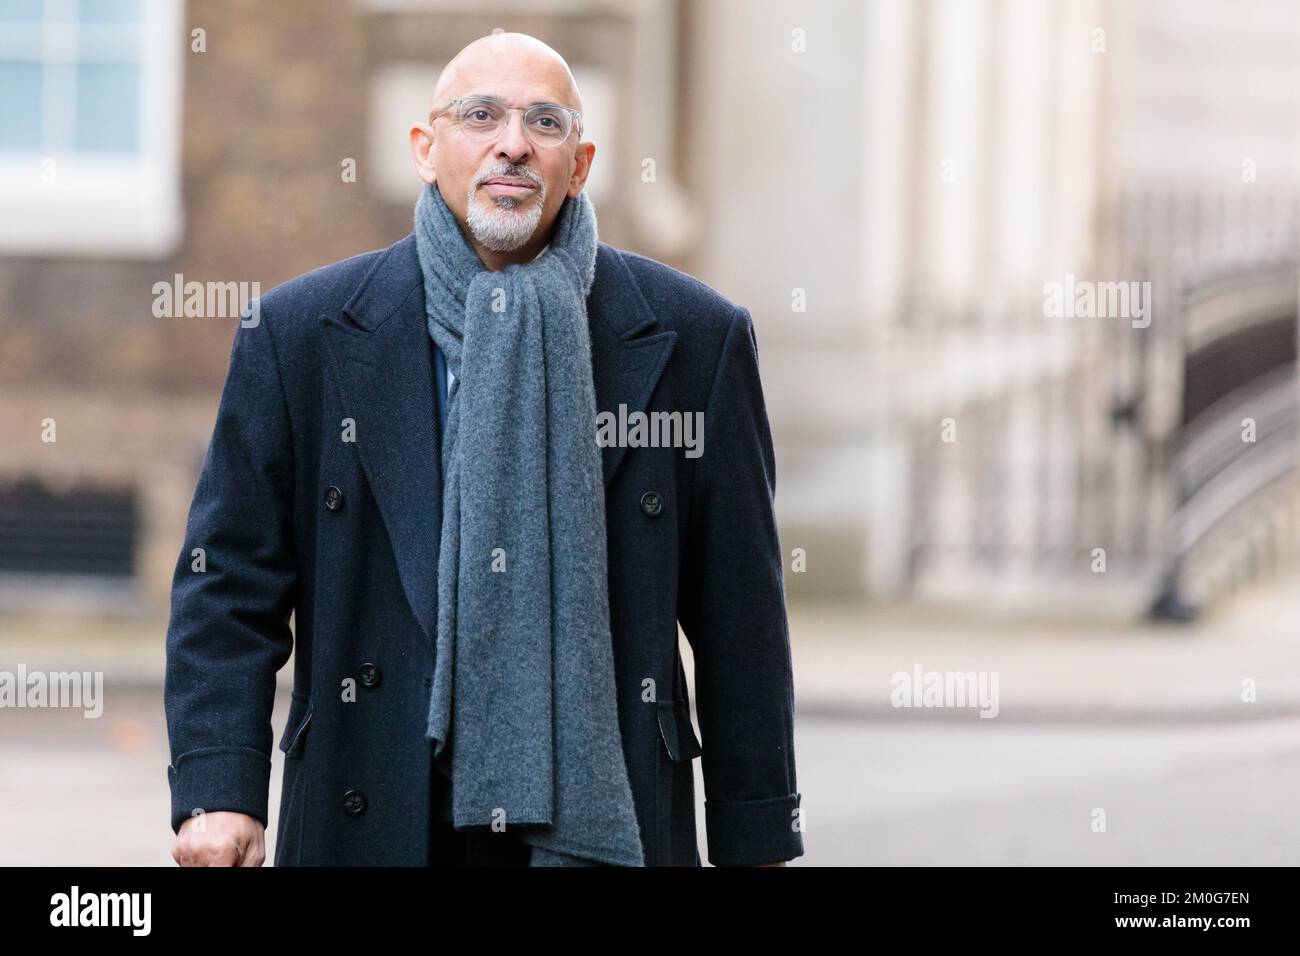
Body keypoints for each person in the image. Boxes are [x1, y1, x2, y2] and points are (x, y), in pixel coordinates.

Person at [165, 31, 802, 867]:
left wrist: (756, 833)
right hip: (377, 801)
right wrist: (220, 788)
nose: (513, 141)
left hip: (605, 821)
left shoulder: (693, 339)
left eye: (545, 120)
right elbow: (230, 579)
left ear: (579, 164)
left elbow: (740, 616)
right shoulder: (301, 334)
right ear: (426, 150)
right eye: (482, 115)